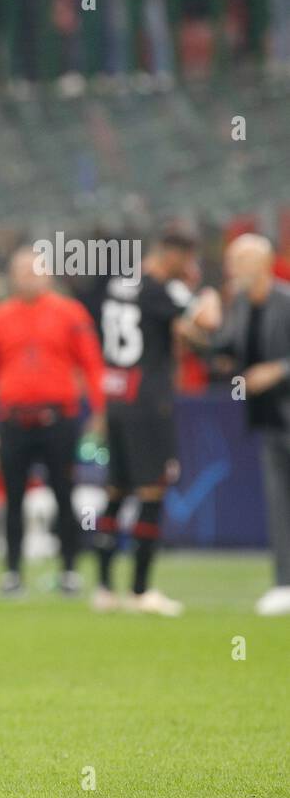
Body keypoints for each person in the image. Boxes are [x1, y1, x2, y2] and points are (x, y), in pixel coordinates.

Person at [0, 247, 105, 598]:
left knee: (64, 494)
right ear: (11, 276)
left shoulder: (70, 314)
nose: (27, 276)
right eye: (21, 270)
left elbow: (92, 366)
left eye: (34, 270)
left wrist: (101, 413)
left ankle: (69, 569)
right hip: (13, 420)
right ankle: (12, 572)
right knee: (12, 499)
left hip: (59, 418)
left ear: (48, 274)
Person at [91, 232, 221, 616]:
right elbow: (208, 319)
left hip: (116, 397)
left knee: (116, 491)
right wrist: (209, 293)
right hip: (148, 403)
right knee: (152, 491)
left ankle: (103, 588)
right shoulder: (164, 289)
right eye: (188, 259)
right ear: (175, 255)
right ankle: (140, 590)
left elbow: (164, 327)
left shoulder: (121, 282)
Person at [211, 235, 290, 616]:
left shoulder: (286, 300)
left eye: (241, 259)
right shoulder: (239, 305)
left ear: (265, 262)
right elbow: (224, 353)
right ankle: (283, 583)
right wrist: (198, 333)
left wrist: (278, 370)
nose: (234, 268)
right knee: (279, 505)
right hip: (267, 419)